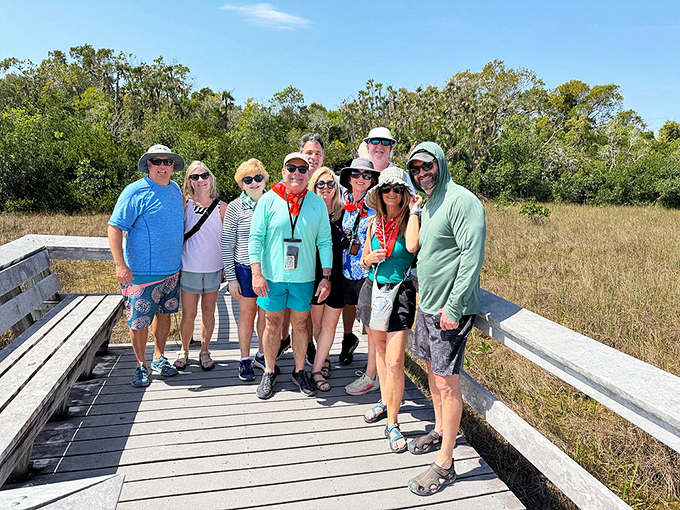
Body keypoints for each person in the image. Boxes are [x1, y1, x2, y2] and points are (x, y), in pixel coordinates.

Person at [405, 142, 486, 496]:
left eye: (427, 166)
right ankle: (439, 429)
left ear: (440, 163)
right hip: (427, 304)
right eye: (416, 170)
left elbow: (472, 255)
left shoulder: (462, 200)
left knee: (447, 381)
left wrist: (454, 307)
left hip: (447, 311)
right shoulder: (430, 202)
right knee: (432, 373)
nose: (422, 174)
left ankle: (445, 462)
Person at [249, 152, 333, 399]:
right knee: (272, 322)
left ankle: (299, 370)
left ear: (308, 174)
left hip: (304, 277)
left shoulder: (316, 203)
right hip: (272, 275)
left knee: (299, 323)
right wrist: (256, 273)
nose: (296, 173)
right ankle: (269, 370)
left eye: (302, 169)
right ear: (283, 171)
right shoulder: (268, 200)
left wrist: (326, 276)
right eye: (291, 168)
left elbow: (325, 242)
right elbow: (255, 238)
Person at [108, 144, 185, 388]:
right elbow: (115, 227)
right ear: (148, 165)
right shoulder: (135, 191)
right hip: (141, 273)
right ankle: (140, 365)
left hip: (172, 270)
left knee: (164, 316)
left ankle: (159, 357)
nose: (163, 166)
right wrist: (121, 265)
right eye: (157, 161)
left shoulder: (174, 190)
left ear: (173, 166)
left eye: (167, 162)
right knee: (139, 322)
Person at [357, 168, 420, 453]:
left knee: (395, 361)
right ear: (380, 194)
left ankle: (392, 423)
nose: (392, 194)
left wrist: (415, 211)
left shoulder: (410, 221)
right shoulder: (373, 223)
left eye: (397, 189)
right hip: (374, 291)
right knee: (380, 354)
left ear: (405, 193)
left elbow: (412, 246)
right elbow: (363, 262)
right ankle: (385, 400)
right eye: (386, 189)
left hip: (400, 293)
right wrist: (368, 258)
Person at [277, 133, 326, 364]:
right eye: (309, 153)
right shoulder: (289, 182)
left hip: (318, 254)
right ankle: (290, 340)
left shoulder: (328, 180)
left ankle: (313, 348)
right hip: (293, 256)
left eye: (318, 153)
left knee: (313, 308)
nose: (313, 157)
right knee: (292, 304)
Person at [175, 161, 226, 372]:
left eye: (204, 175)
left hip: (214, 268)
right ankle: (184, 351)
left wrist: (226, 267)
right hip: (189, 267)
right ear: (189, 182)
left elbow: (228, 239)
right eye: (194, 177)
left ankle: (205, 350)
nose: (200, 180)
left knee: (208, 311)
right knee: (188, 314)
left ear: (210, 178)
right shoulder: (184, 205)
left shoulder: (222, 207)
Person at [222, 159, 270, 381]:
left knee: (267, 315)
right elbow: (227, 244)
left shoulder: (274, 202)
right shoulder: (234, 207)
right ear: (241, 183)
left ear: (265, 179)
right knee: (247, 314)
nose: (253, 183)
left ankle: (262, 354)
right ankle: (244, 359)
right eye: (247, 179)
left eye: (257, 178)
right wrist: (231, 278)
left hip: (270, 269)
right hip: (244, 269)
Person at [337, 159, 380, 396]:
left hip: (366, 272)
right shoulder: (343, 202)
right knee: (347, 309)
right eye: (356, 173)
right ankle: (348, 342)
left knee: (371, 324)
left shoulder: (376, 205)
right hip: (346, 269)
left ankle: (371, 374)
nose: (361, 178)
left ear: (372, 179)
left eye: (366, 174)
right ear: (349, 177)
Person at [308, 166, 348, 392]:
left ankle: (319, 365)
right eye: (321, 184)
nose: (326, 188)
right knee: (317, 324)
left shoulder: (344, 212)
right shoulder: (310, 211)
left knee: (330, 325)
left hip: (339, 276)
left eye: (330, 184)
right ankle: (321, 360)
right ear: (314, 186)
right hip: (315, 275)